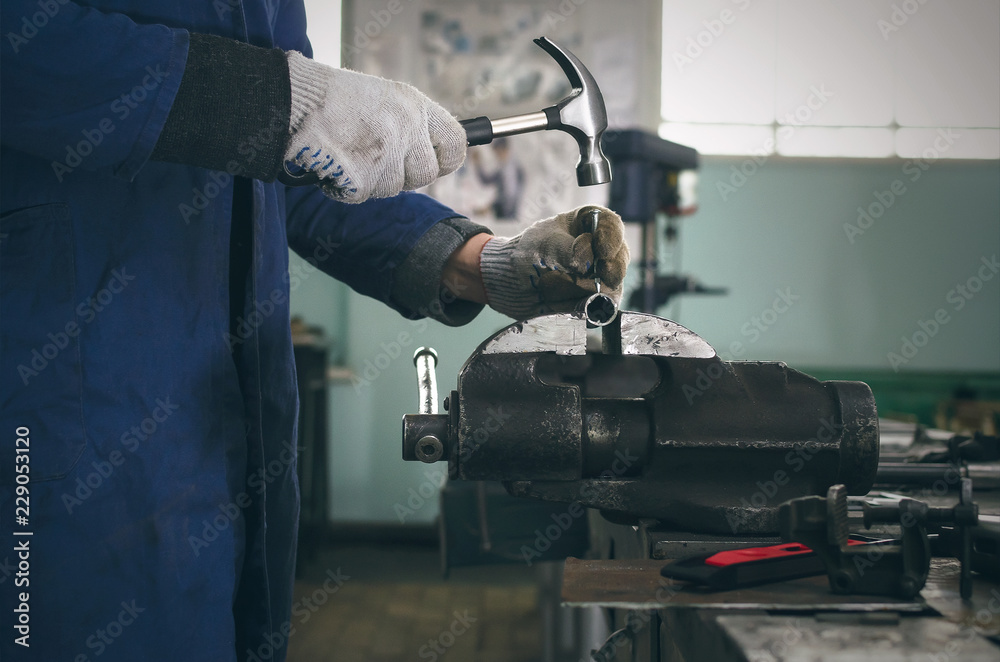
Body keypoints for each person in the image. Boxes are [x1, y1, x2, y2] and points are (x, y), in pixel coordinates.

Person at [0, 2, 628, 660]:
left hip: (226, 425)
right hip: (64, 405)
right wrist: (270, 101)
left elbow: (286, 176)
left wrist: (483, 265)